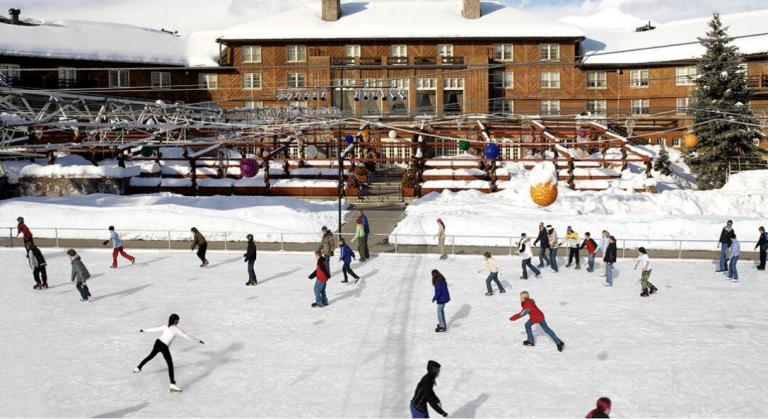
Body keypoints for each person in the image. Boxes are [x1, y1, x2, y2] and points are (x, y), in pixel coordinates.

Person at [133, 313, 205, 393]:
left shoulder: (166, 325)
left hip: (158, 343)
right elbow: (186, 336)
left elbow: (155, 329)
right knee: (170, 365)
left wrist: (144, 330)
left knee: (150, 356)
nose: (178, 322)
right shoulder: (175, 329)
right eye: (178, 320)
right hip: (164, 347)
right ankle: (172, 384)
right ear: (176, 321)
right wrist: (198, 341)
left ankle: (138, 368)